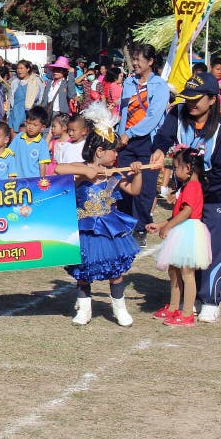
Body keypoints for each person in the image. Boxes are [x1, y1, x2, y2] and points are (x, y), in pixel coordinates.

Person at [150, 73, 221, 323]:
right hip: (188, 193)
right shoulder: (177, 114)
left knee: (214, 249)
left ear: (212, 99)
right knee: (188, 247)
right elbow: (164, 138)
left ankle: (210, 299)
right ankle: (191, 297)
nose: (190, 104)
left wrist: (193, 190)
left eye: (196, 99)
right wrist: (158, 151)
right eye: (187, 98)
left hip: (216, 197)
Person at [55, 102, 144, 326]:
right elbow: (58, 169)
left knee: (115, 271)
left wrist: (138, 173)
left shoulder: (114, 173)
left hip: (109, 229)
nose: (117, 155)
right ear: (100, 151)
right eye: (114, 150)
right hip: (85, 228)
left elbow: (134, 190)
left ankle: (120, 309)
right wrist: (85, 172)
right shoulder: (82, 168)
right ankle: (84, 310)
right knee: (84, 273)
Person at [146, 147, 212, 327]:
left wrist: (168, 226)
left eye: (176, 168)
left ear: (188, 168)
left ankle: (187, 312)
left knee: (186, 273)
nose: (174, 171)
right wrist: (160, 224)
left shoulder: (193, 186)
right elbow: (177, 212)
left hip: (188, 231)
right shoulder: (186, 187)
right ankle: (173, 307)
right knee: (174, 271)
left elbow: (188, 212)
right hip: (181, 230)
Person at [116, 44, 170, 247]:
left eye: (139, 59)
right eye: (134, 59)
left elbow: (154, 117)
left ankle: (141, 229)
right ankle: (124, 224)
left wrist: (129, 133)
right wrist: (120, 133)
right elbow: (123, 112)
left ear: (150, 62)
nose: (135, 63)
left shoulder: (160, 86)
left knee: (145, 187)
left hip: (147, 141)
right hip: (126, 141)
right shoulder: (129, 83)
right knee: (123, 181)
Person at [9, 106, 51, 178]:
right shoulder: (19, 137)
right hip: (17, 179)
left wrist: (42, 180)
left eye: (35, 125)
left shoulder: (42, 144)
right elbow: (9, 154)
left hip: (33, 181)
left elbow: (42, 165)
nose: (31, 127)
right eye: (29, 123)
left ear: (43, 127)